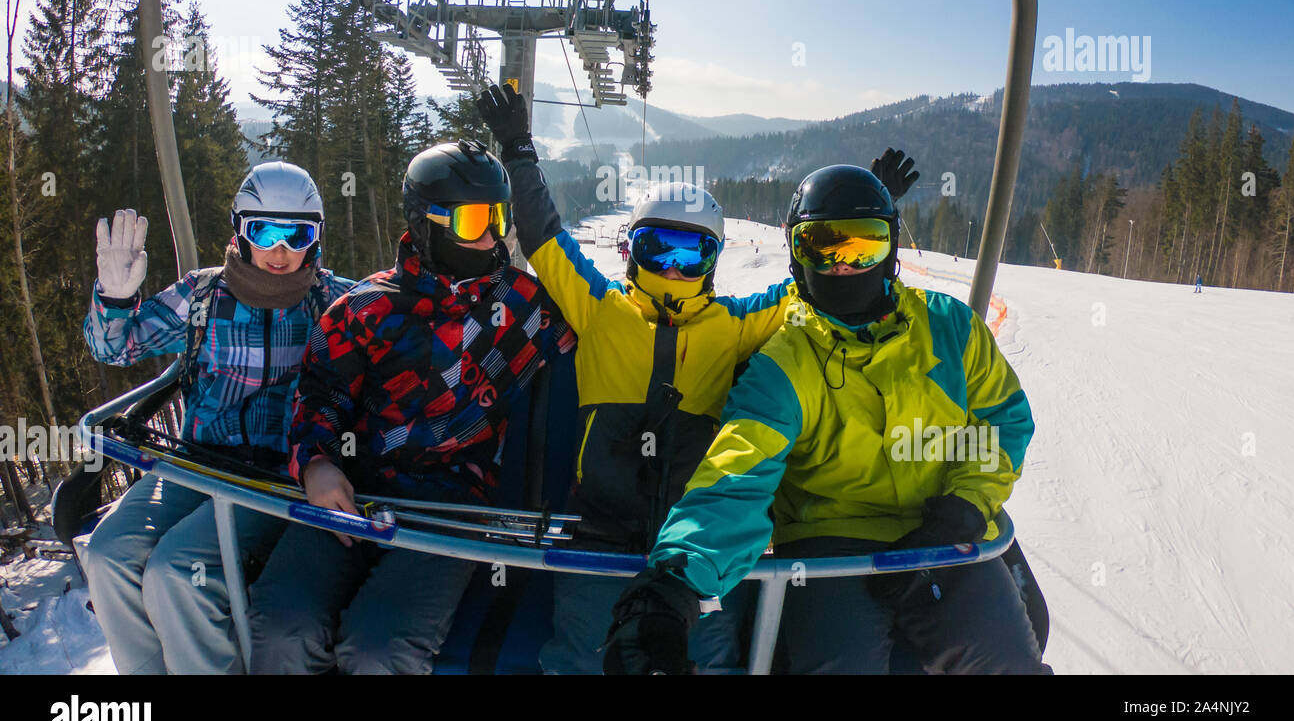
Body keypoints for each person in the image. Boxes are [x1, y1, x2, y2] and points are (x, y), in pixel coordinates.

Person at [476, 84, 920, 674]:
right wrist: (519, 151)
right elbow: (543, 238)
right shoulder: (600, 308)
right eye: (660, 251)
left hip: (696, 547)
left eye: (693, 256)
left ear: (713, 262)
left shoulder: (733, 326)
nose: (675, 270)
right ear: (630, 251)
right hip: (601, 532)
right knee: (583, 657)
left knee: (705, 660)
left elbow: (825, 276)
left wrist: (863, 206)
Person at [603, 164, 1045, 675]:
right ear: (796, 255)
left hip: (944, 535)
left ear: (892, 250)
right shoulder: (787, 362)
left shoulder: (950, 329)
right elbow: (736, 475)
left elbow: (1002, 420)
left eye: (864, 248)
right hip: (831, 545)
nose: (841, 267)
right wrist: (674, 584)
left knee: (1008, 664)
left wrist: (966, 506)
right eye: (822, 248)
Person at [248, 140, 574, 675]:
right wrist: (318, 463)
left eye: (499, 217)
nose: (493, 236)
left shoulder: (521, 304)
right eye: (474, 222)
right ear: (427, 223)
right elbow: (320, 393)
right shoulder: (365, 309)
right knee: (284, 623)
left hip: (453, 505)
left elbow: (603, 318)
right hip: (354, 492)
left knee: (379, 648)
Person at [82, 162, 353, 675]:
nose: (280, 251)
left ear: (316, 238)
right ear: (240, 232)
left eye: (297, 234)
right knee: (108, 556)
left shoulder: (333, 302)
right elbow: (116, 347)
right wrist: (115, 300)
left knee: (177, 574)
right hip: (197, 463)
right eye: (264, 232)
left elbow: (397, 320)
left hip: (274, 475)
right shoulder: (205, 295)